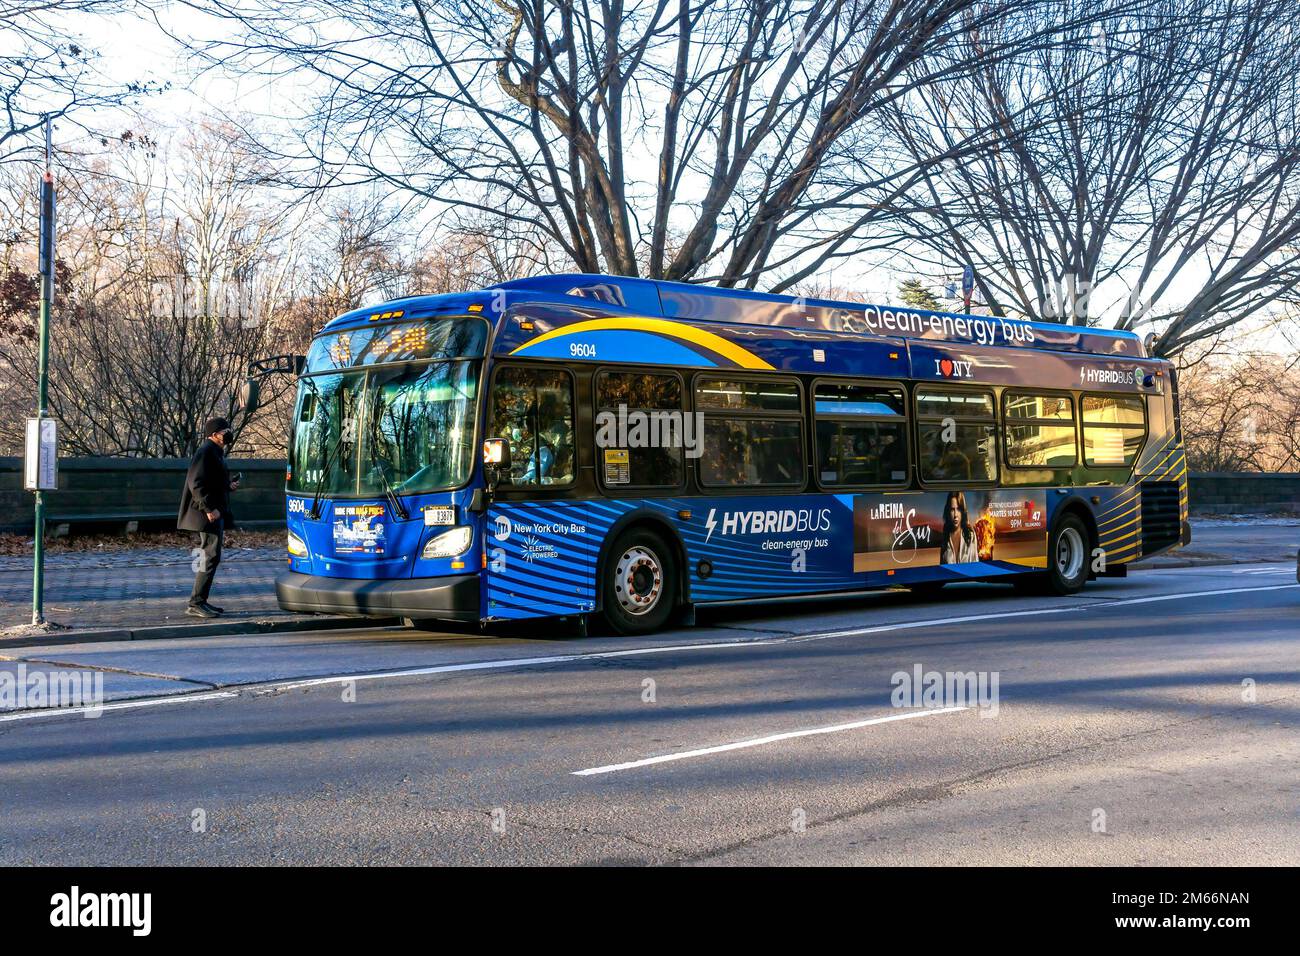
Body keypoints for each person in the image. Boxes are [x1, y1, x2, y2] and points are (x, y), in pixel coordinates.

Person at [177, 417, 240, 618]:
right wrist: (209, 508)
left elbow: (212, 481)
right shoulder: (206, 452)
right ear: (213, 435)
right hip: (207, 514)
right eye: (224, 432)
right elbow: (196, 483)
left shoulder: (215, 452)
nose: (228, 434)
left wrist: (228, 485)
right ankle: (196, 602)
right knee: (210, 556)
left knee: (211, 555)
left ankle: (200, 601)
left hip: (213, 512)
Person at [940, 491, 979, 565]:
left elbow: (976, 564)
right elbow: (942, 567)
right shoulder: (945, 536)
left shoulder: (970, 534)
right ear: (948, 511)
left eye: (958, 509)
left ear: (962, 511)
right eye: (952, 509)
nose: (955, 515)